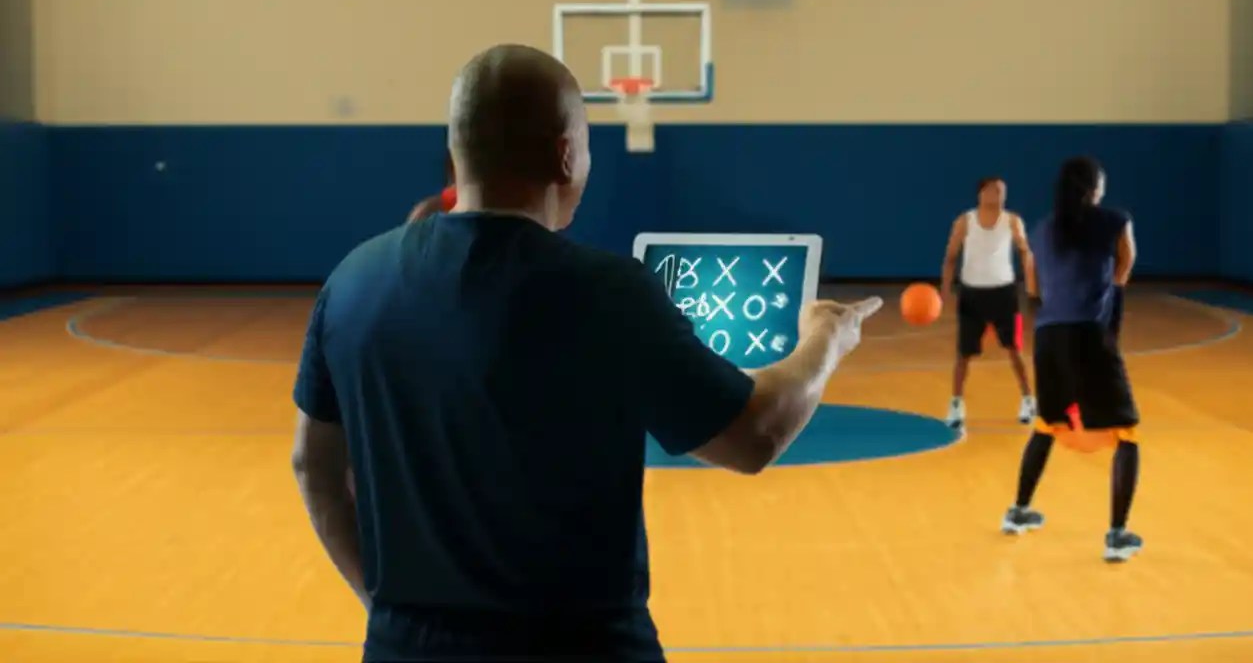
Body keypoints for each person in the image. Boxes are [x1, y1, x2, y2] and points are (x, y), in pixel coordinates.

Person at [289, 43, 883, 663]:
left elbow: (315, 468)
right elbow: (753, 435)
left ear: (457, 148)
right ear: (567, 154)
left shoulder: (351, 281)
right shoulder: (605, 292)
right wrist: (826, 337)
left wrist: (388, 609)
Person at [1002, 156, 1143, 564]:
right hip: (1088, 333)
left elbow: (1031, 281)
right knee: (1127, 433)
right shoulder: (1115, 220)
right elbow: (1125, 262)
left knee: (1048, 423)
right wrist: (1109, 295)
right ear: (1094, 187)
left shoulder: (1043, 229)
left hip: (1049, 334)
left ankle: (1018, 511)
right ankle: (1117, 534)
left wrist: (1051, 312)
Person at [940, 177, 1036, 432]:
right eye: (993, 190)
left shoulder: (1013, 221)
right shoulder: (965, 221)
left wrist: (1031, 286)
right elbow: (950, 257)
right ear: (981, 194)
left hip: (1005, 295)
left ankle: (1028, 400)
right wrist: (945, 291)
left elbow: (1025, 252)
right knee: (963, 354)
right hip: (972, 295)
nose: (998, 194)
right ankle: (956, 404)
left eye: (1002, 191)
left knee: (1015, 349)